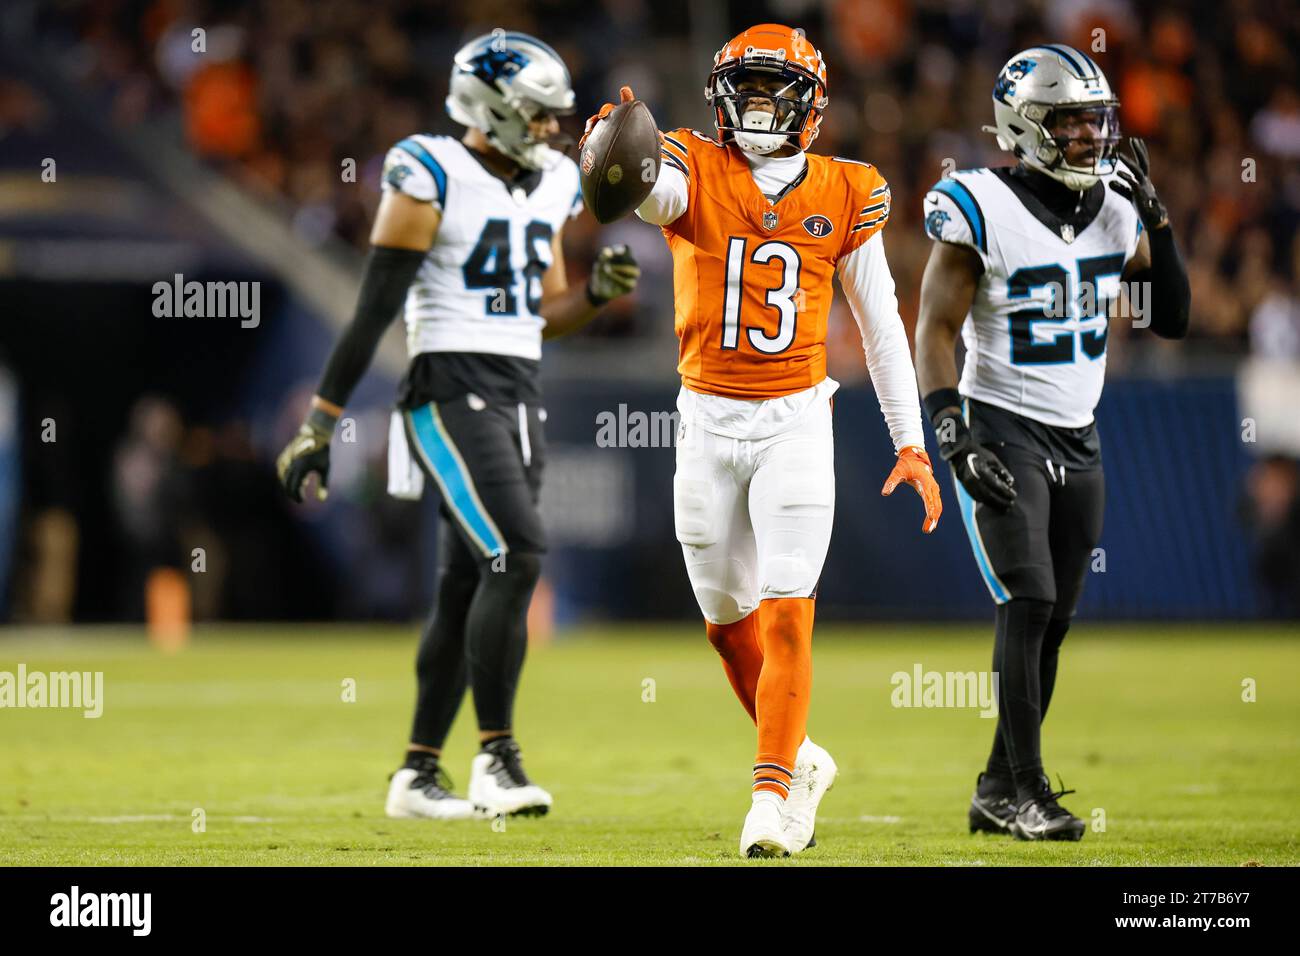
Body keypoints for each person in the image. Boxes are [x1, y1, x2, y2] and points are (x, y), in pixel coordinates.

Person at [583, 23, 942, 857]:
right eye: (742, 87)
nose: (754, 104)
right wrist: (614, 155)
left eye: (771, 89)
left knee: (788, 616)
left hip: (794, 422)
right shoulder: (689, 165)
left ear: (809, 106)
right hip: (705, 418)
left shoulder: (848, 189)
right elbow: (650, 193)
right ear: (718, 96)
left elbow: (883, 328)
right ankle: (803, 762)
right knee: (723, 623)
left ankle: (770, 800)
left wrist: (910, 442)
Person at [276, 30, 639, 821]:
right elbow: (375, 306)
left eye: (554, 117)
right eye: (536, 115)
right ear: (490, 105)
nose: (549, 131)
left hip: (517, 391)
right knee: (518, 551)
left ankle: (415, 776)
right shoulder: (427, 171)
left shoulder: (547, 185)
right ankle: (497, 758)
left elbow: (544, 313)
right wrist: (320, 421)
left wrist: (597, 297)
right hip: (447, 386)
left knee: (463, 584)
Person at [914, 45, 1189, 840]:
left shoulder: (1115, 208)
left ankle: (997, 787)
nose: (1090, 138)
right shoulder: (979, 203)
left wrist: (1162, 226)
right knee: (1028, 599)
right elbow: (933, 328)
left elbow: (1170, 317)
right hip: (1000, 421)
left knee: (1056, 616)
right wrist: (950, 432)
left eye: (1095, 121)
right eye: (1070, 122)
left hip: (1080, 434)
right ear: (1023, 126)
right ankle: (1025, 788)